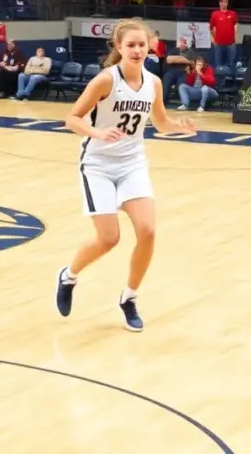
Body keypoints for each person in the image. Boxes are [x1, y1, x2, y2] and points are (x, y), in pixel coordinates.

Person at [55, 19, 196, 331]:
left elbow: (160, 123)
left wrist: (178, 127)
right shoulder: (106, 80)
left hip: (131, 163)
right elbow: (71, 118)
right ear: (118, 48)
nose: (136, 50)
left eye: (141, 45)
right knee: (109, 239)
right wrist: (97, 131)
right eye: (130, 45)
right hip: (97, 165)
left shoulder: (153, 82)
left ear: (150, 47)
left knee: (147, 231)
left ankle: (129, 297)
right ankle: (69, 276)